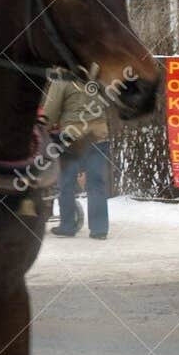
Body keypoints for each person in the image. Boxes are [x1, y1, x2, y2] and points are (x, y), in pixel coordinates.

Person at [42, 77, 111, 240]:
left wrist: (42, 128)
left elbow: (50, 112)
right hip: (99, 137)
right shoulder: (99, 77)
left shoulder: (62, 79)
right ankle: (99, 229)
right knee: (96, 184)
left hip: (73, 139)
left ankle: (67, 226)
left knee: (67, 183)